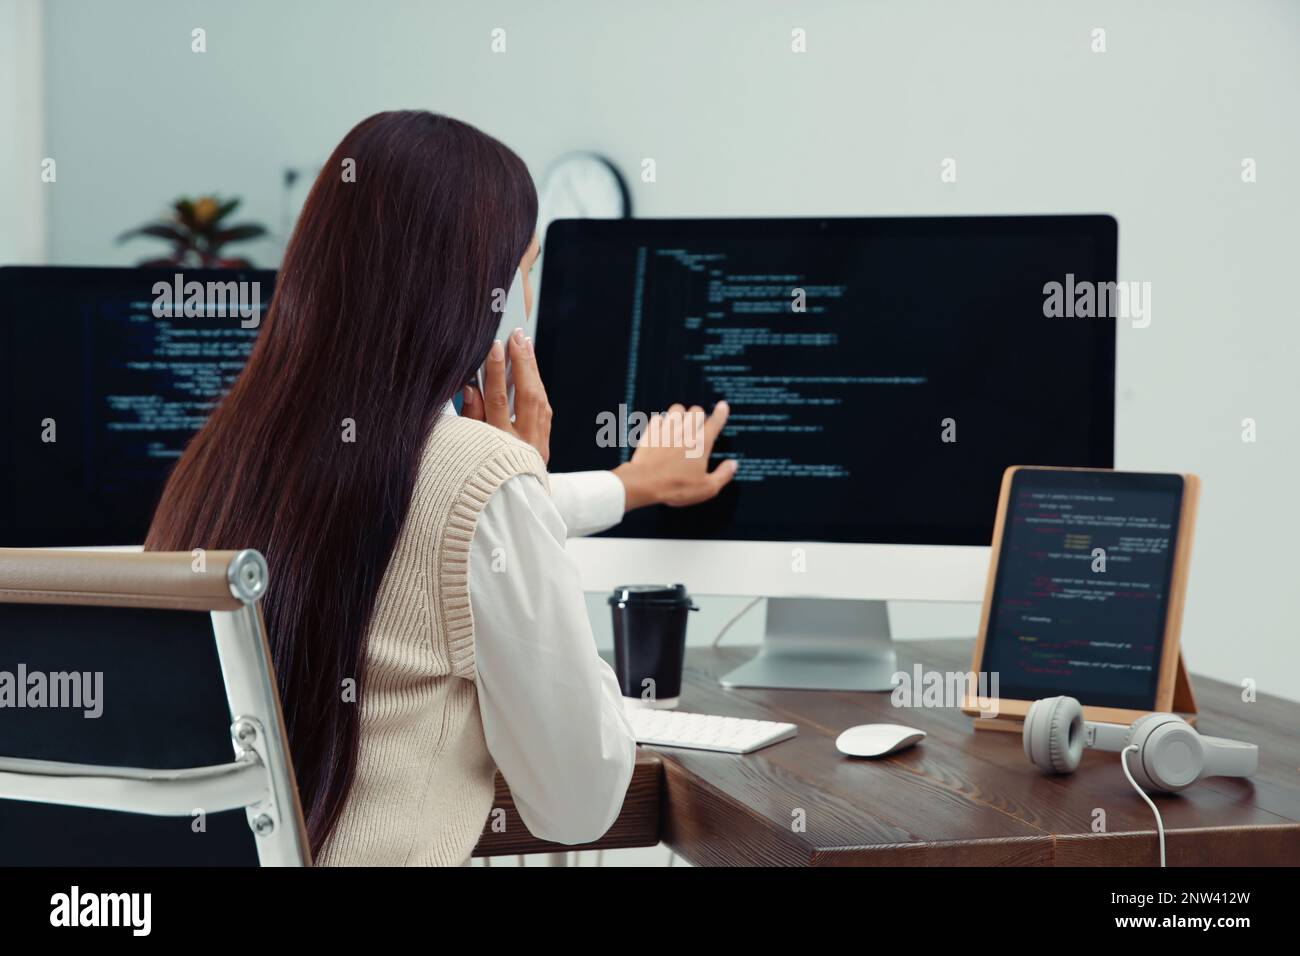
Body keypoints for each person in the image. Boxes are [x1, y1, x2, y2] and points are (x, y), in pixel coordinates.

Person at [145, 110, 736, 866]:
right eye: (522, 270)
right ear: (474, 293)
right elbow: (578, 805)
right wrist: (514, 490)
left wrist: (604, 485)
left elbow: (410, 526)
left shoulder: (221, 461)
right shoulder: (478, 479)